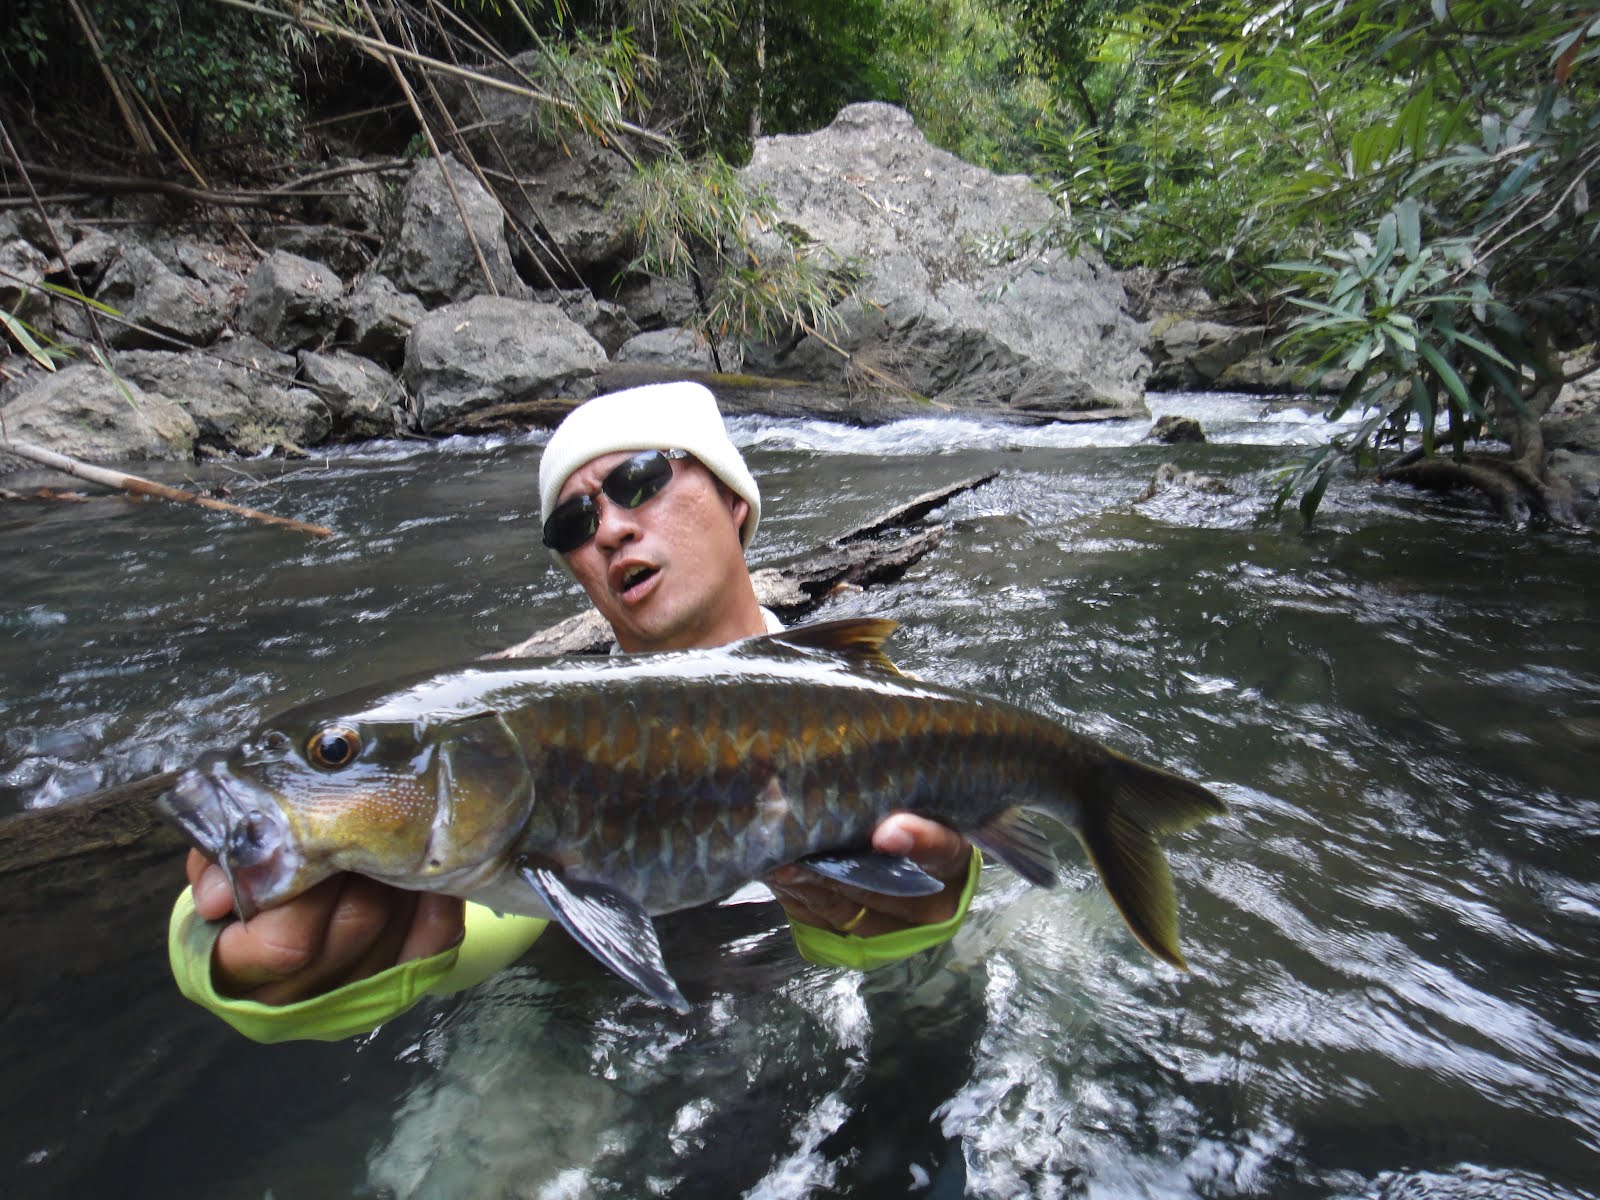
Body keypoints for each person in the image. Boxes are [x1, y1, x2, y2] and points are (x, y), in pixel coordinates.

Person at [169, 381, 979, 1041]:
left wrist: (931, 902)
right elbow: (466, 922)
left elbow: (963, 869)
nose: (612, 530)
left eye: (640, 482)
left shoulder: (886, 707)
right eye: (574, 522)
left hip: (862, 1017)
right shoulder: (525, 754)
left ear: (735, 500)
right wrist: (232, 963)